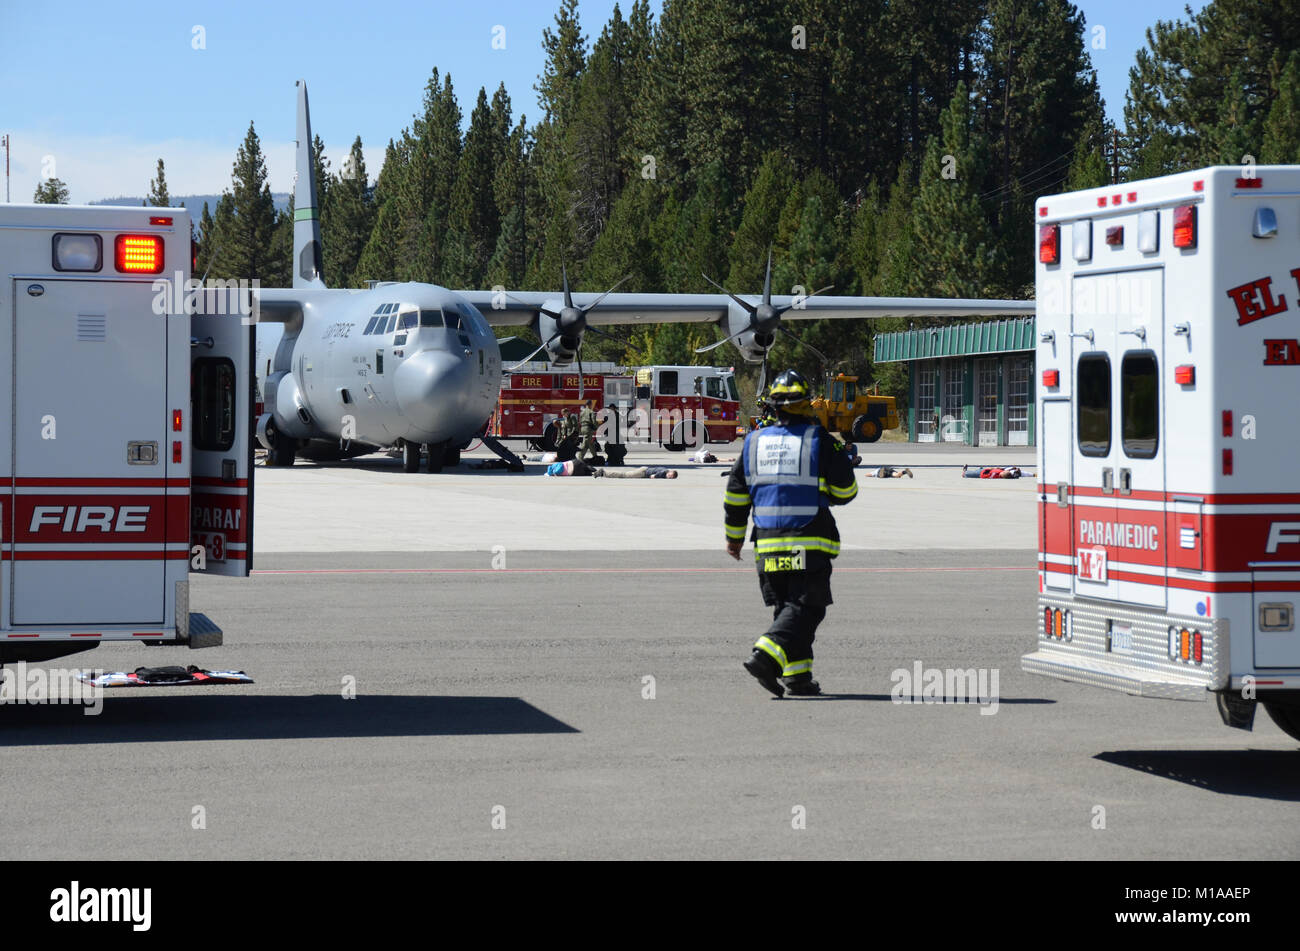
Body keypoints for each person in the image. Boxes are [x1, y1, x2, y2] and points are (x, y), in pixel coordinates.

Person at [724, 369, 858, 698]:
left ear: (772, 405)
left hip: (766, 545)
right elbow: (846, 492)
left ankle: (798, 678)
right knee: (807, 607)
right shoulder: (820, 441)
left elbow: (736, 494)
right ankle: (765, 655)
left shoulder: (753, 441)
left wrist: (735, 537)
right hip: (808, 542)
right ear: (805, 404)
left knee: (787, 608)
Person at [593, 466, 677, 479]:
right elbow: (661, 473)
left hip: (644, 469)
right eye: (671, 475)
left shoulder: (665, 469)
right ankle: (604, 473)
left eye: (671, 477)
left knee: (624, 474)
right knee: (624, 475)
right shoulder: (665, 471)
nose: (669, 477)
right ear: (671, 471)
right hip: (643, 472)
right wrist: (655, 476)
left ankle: (603, 472)